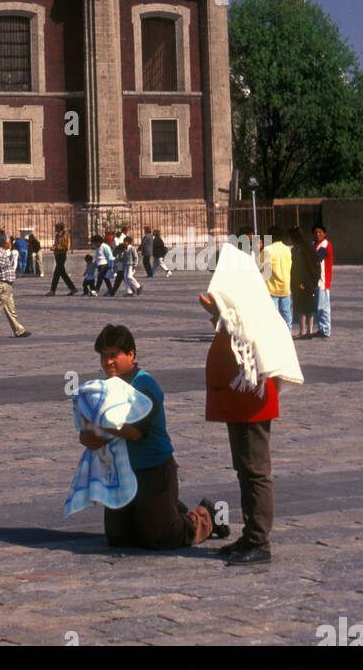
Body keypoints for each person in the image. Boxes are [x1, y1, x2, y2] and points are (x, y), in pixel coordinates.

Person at [199, 244, 302, 566]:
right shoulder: (242, 311)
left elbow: (248, 345)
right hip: (240, 401)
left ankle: (260, 541)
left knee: (256, 470)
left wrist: (218, 313)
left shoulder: (252, 315)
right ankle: (250, 535)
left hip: (252, 403)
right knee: (245, 469)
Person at [79, 324, 225, 550]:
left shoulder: (145, 386)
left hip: (153, 469)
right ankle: (166, 507)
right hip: (123, 472)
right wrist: (86, 437)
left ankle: (204, 517)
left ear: (131, 354)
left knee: (158, 538)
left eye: (113, 356)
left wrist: (101, 423)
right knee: (119, 538)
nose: (108, 362)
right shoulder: (107, 387)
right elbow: (90, 429)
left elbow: (135, 433)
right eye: (103, 357)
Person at [0, 234, 31, 339]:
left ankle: (19, 330)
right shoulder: (0, 253)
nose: (11, 243)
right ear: (5, 243)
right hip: (3, 285)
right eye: (9, 241)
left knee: (11, 310)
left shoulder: (1, 252)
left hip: (7, 286)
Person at [288, 225, 318, 340]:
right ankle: (310, 330)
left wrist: (298, 283)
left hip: (300, 283)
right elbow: (316, 265)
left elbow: (297, 268)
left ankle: (302, 331)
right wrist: (313, 281)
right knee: (310, 307)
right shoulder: (310, 247)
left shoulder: (296, 250)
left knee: (301, 307)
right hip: (310, 282)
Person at [263, 224, 292, 330]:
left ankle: (274, 335)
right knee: (286, 314)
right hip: (285, 286)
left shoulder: (267, 250)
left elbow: (261, 268)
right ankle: (288, 334)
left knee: (273, 315)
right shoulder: (287, 249)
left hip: (271, 288)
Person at [312, 224, 333, 339]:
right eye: (315, 232)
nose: (317, 234)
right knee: (318, 306)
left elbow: (318, 257)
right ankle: (321, 328)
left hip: (323, 281)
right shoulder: (314, 244)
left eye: (320, 232)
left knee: (323, 307)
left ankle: (325, 330)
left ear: (324, 233)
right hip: (316, 280)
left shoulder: (325, 244)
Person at [48, 222, 77, 296]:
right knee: (62, 274)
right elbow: (57, 244)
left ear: (60, 228)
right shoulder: (57, 236)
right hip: (57, 255)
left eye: (56, 227)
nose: (55, 228)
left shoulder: (65, 236)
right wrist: (54, 247)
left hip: (62, 255)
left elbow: (67, 246)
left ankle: (52, 291)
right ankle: (72, 288)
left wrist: (57, 247)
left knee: (56, 274)